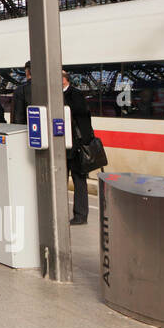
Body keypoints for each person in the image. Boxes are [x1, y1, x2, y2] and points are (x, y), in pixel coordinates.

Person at [64, 70, 96, 225]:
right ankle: (60, 212)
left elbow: (83, 120)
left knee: (79, 180)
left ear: (64, 80)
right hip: (61, 147)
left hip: (76, 147)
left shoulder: (75, 95)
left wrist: (82, 142)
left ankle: (80, 215)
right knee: (60, 181)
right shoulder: (55, 95)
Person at [10, 61, 32, 125]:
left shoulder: (21, 90)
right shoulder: (50, 88)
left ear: (27, 72)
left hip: (27, 130)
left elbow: (17, 117)